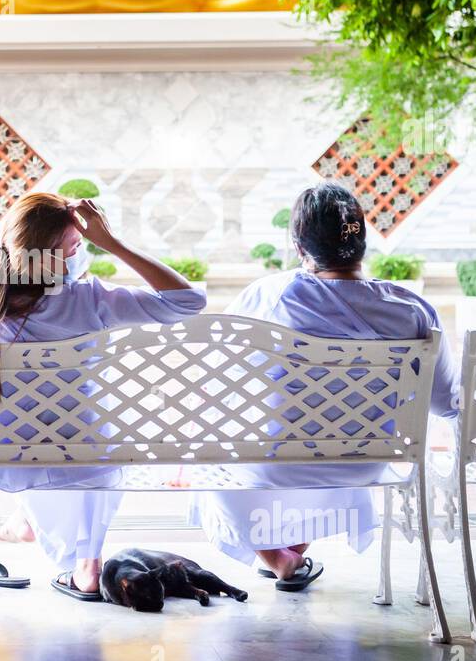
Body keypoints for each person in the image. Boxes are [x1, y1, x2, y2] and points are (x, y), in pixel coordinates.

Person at [0, 193, 207, 599]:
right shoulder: (92, 299)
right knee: (86, 440)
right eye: (76, 248)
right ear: (51, 260)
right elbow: (190, 301)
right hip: (89, 456)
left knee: (33, 437)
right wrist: (114, 244)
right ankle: (87, 565)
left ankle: (26, 522)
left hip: (5, 456)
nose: (81, 256)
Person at [187, 182, 461, 591]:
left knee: (218, 457)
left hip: (272, 458)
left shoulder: (267, 296)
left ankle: (277, 557)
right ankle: (286, 557)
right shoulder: (411, 310)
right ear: (363, 241)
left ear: (301, 248)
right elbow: (446, 402)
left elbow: (215, 381)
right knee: (322, 447)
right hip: (362, 459)